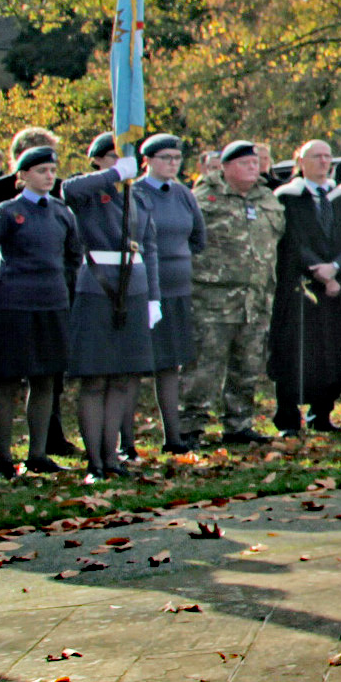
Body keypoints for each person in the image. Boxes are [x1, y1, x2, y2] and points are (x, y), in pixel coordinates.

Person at [67, 133, 166, 476]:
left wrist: (153, 296)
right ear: (96, 160)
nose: (119, 163)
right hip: (98, 288)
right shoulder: (91, 193)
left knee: (123, 378)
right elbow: (70, 190)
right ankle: (95, 461)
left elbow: (149, 248)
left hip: (135, 289)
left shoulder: (137, 197)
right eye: (110, 157)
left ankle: (112, 456)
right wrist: (112, 174)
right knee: (95, 379)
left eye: (124, 158)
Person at [0, 146, 79, 474]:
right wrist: (1, 285)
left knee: (46, 379)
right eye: (40, 171)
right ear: (22, 175)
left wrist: (60, 287)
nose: (49, 176)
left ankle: (37, 454)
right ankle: (4, 458)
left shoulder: (62, 212)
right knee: (4, 381)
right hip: (12, 308)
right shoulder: (7, 211)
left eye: (52, 170)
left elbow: (73, 255)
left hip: (51, 305)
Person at [185, 139, 282, 448]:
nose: (253, 168)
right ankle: (189, 427)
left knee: (248, 365)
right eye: (244, 163)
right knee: (204, 366)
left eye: (255, 163)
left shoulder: (267, 198)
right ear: (225, 167)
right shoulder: (203, 198)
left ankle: (239, 424)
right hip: (213, 300)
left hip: (256, 299)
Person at [272, 140, 341, 434]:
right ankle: (288, 418)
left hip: (339, 288)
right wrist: (321, 272)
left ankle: (321, 414)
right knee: (295, 352)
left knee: (333, 350)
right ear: (301, 161)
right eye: (317, 156)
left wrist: (336, 268)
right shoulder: (288, 198)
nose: (324, 162)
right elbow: (294, 242)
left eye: (327, 156)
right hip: (301, 288)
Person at [134, 142, 208, 455]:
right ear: (146, 160)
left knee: (171, 364)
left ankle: (173, 435)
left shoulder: (182, 193)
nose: (172, 164)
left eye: (177, 158)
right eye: (165, 158)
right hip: (145, 289)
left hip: (179, 290)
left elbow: (198, 238)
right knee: (136, 365)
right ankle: (126, 441)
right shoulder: (136, 193)